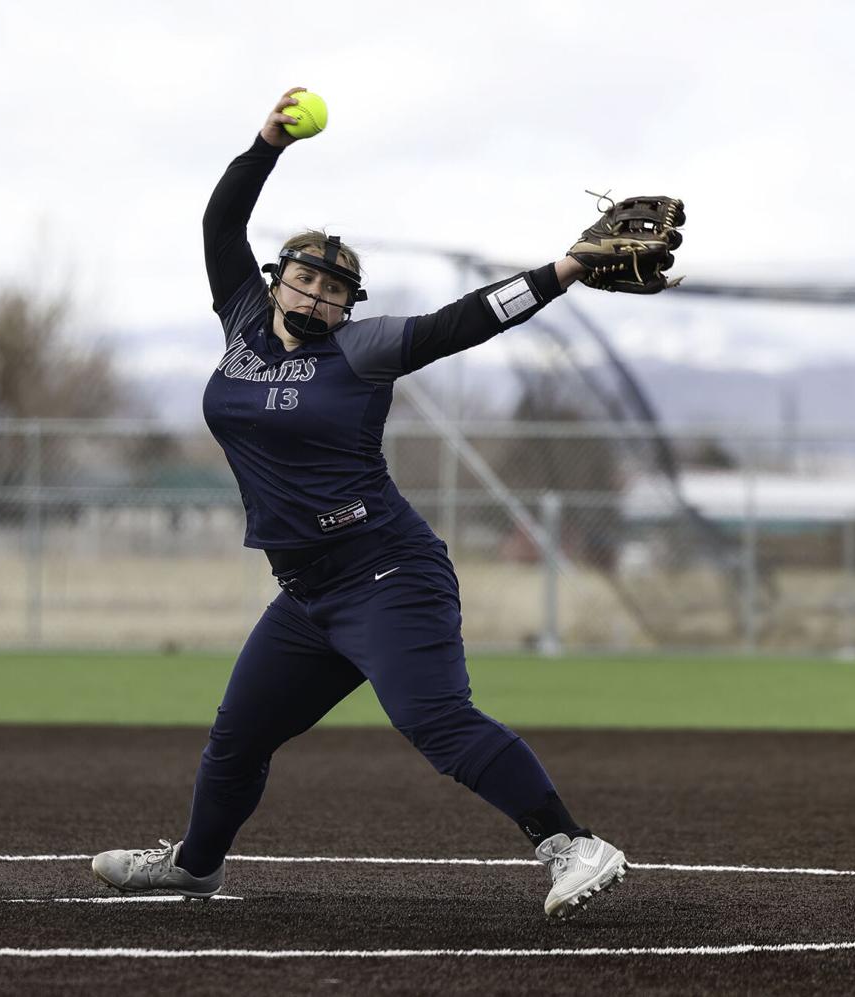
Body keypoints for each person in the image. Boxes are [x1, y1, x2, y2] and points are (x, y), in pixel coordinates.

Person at [91, 87, 628, 920]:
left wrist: (562, 272)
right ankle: (194, 867)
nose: (315, 295)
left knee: (435, 720)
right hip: (307, 592)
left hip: (385, 570)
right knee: (237, 737)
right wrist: (266, 142)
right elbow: (218, 225)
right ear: (277, 281)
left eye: (333, 289)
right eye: (303, 278)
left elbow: (467, 320)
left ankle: (573, 843)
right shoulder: (240, 320)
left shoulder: (361, 349)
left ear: (349, 304)